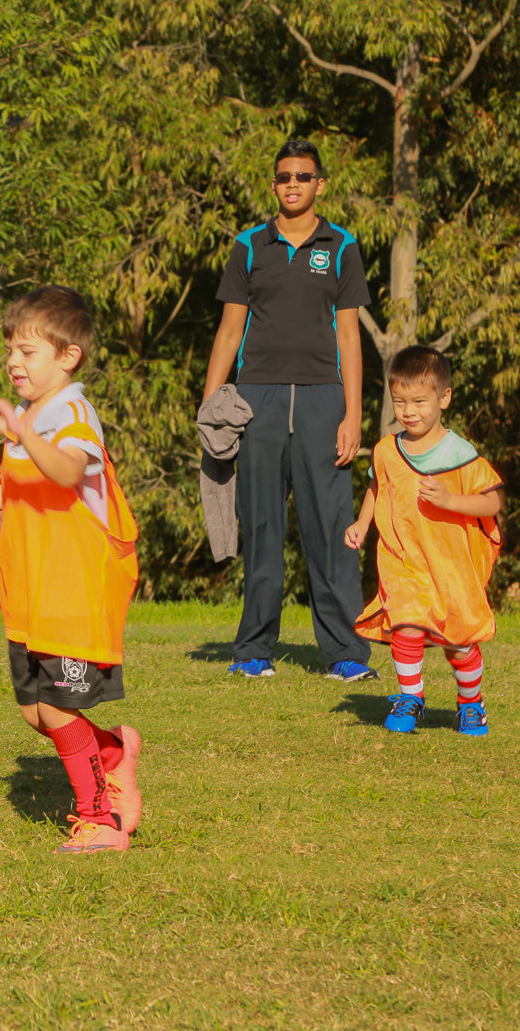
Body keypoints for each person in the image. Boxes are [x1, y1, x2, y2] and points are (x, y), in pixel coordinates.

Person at [0, 286, 144, 854]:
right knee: (34, 713)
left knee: (56, 706)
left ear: (68, 356)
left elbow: (68, 472)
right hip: (32, 591)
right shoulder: (30, 415)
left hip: (75, 591)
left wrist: (22, 434)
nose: (14, 363)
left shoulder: (72, 411)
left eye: (28, 352)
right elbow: (17, 492)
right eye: (11, 351)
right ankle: (114, 752)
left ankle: (101, 820)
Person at [203, 138, 378, 681]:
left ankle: (345, 655)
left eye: (304, 176)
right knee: (260, 527)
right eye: (284, 177)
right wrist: (212, 405)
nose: (294, 184)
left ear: (319, 183)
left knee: (331, 530)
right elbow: (230, 329)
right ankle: (253, 650)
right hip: (258, 398)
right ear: (274, 184)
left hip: (326, 399)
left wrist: (353, 415)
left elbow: (350, 337)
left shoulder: (342, 245)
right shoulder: (250, 245)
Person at [344, 346, 503, 735]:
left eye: (419, 401)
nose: (409, 411)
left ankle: (471, 704)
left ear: (443, 398)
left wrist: (450, 500)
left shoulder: (460, 454)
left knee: (459, 643)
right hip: (404, 561)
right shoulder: (386, 450)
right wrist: (363, 523)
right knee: (407, 625)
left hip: (451, 567)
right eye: (400, 402)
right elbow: (376, 486)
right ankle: (410, 697)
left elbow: (493, 501)